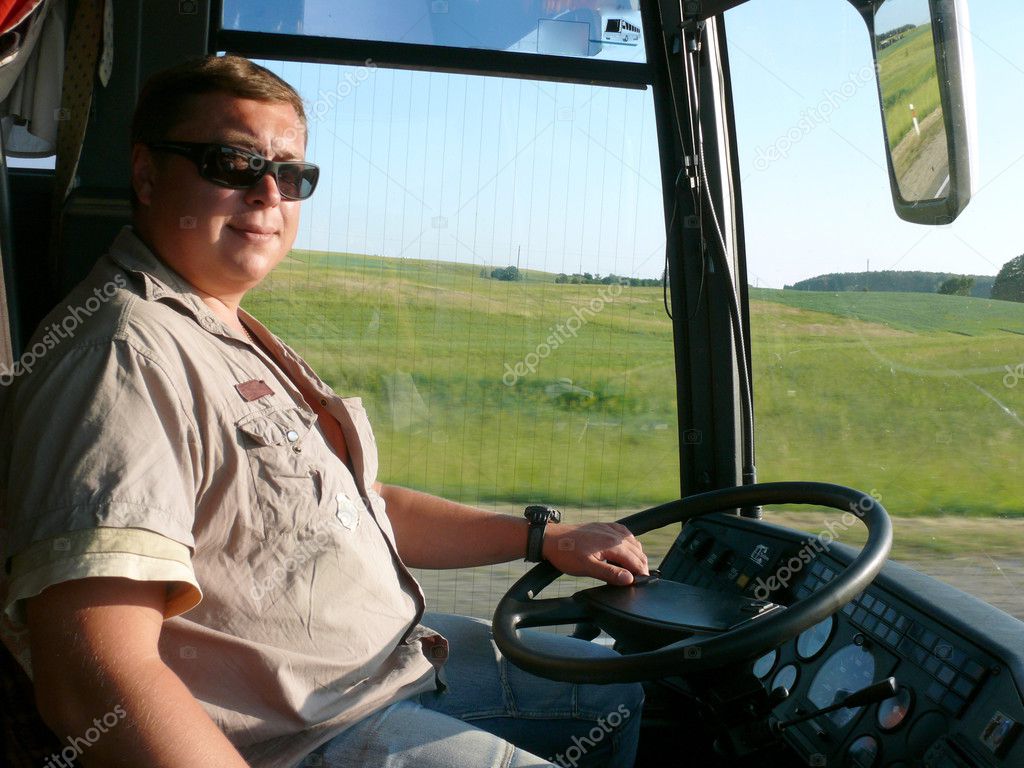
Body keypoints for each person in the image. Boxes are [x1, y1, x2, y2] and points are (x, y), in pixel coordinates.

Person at [0, 55, 648, 767]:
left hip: (390, 667)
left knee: (621, 693)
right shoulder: (124, 357)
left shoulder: (225, 332)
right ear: (148, 173)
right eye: (232, 163)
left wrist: (543, 537)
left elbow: (361, 506)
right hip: (310, 736)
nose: (268, 194)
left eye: (291, 174)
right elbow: (93, 681)